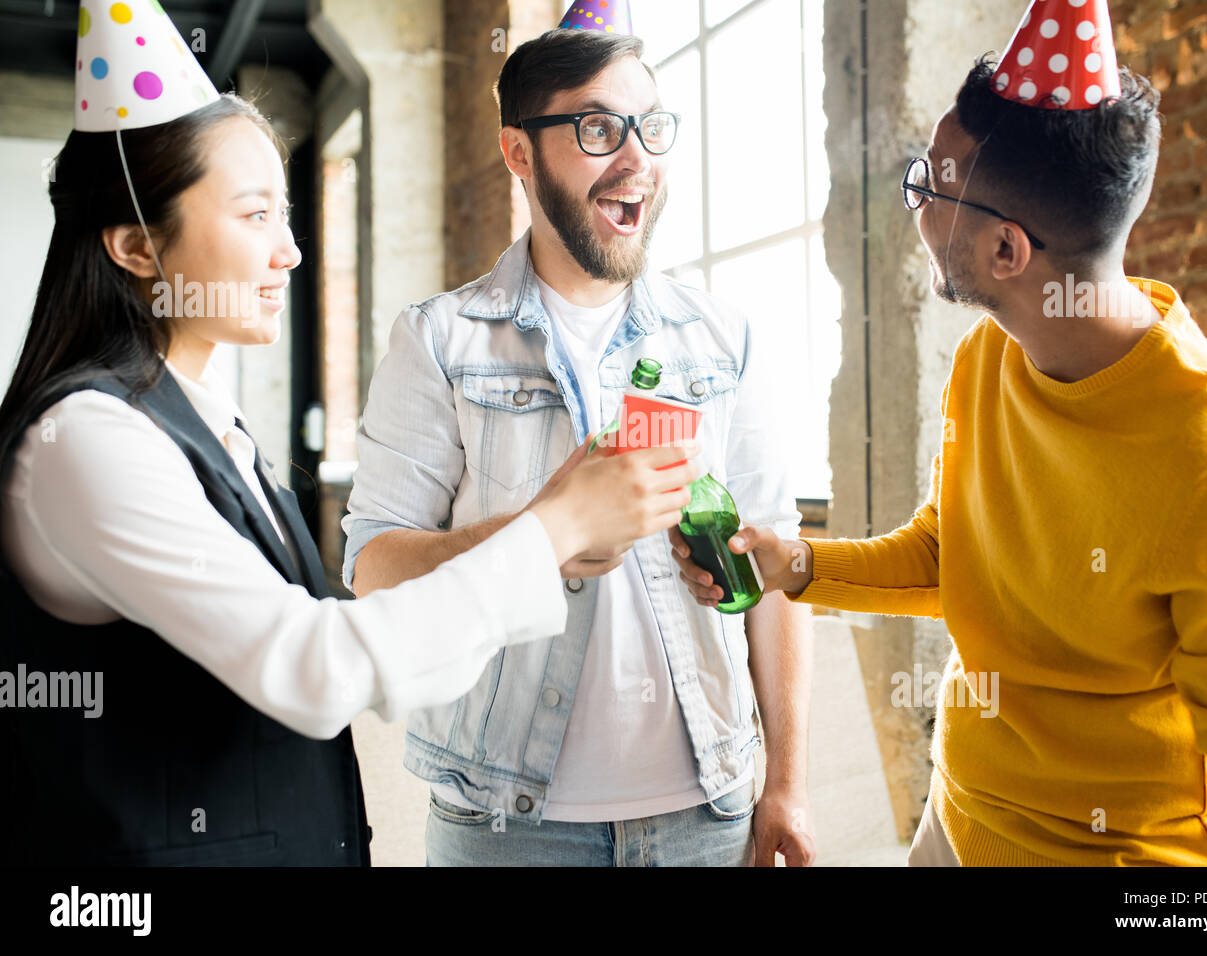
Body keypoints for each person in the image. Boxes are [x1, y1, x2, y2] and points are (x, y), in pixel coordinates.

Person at [0, 0, 698, 867]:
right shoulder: (87, 440)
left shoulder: (213, 428)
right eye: (254, 216)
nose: (289, 252)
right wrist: (551, 527)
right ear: (139, 248)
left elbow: (364, 651)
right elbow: (315, 668)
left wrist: (549, 537)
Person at [676, 0, 1207, 866]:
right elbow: (950, 561)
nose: (915, 208)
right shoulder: (986, 360)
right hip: (956, 824)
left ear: (1008, 251)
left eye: (927, 186)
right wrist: (799, 565)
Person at [344, 18, 816, 867]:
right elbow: (373, 565)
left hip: (705, 816)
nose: (637, 158)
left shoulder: (722, 339)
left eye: (651, 126)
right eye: (598, 128)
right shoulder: (440, 341)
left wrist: (787, 783)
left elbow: (778, 571)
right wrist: (543, 535)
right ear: (520, 153)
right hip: (503, 823)